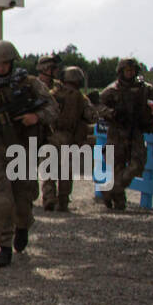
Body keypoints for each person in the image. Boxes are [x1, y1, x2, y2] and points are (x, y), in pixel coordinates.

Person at [0, 40, 58, 266]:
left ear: (12, 62)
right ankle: (4, 245)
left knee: (23, 200)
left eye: (6, 63)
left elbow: (52, 108)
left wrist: (36, 117)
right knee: (2, 201)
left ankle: (22, 227)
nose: (2, 67)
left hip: (22, 148)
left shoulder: (31, 85)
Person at [96, 57, 153, 210]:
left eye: (132, 70)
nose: (130, 73)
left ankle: (110, 189)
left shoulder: (143, 88)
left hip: (136, 131)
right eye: (127, 70)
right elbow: (98, 105)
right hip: (117, 132)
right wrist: (110, 113)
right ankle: (119, 202)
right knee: (117, 167)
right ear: (121, 72)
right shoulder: (112, 89)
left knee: (138, 164)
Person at [42, 66, 95, 211]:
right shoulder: (81, 98)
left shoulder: (53, 94)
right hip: (70, 139)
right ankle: (63, 201)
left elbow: (44, 113)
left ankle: (49, 197)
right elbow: (92, 117)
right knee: (66, 171)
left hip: (52, 136)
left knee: (48, 168)